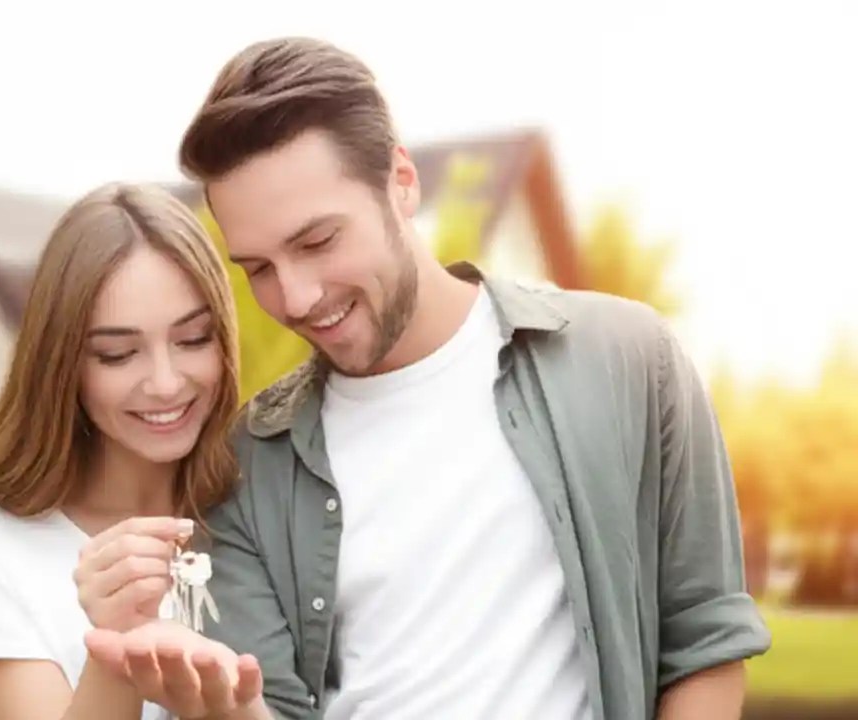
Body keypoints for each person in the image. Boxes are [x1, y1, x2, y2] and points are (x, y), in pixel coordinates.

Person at [83, 37, 772, 720]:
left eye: (317, 242)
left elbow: (705, 637)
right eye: (257, 268)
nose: (294, 298)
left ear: (401, 182)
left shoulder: (626, 357)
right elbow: (270, 707)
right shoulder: (243, 466)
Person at [0, 181, 247, 720]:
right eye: (117, 354)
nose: (165, 383)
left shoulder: (264, 498)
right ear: (64, 365)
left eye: (193, 339)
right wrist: (117, 642)